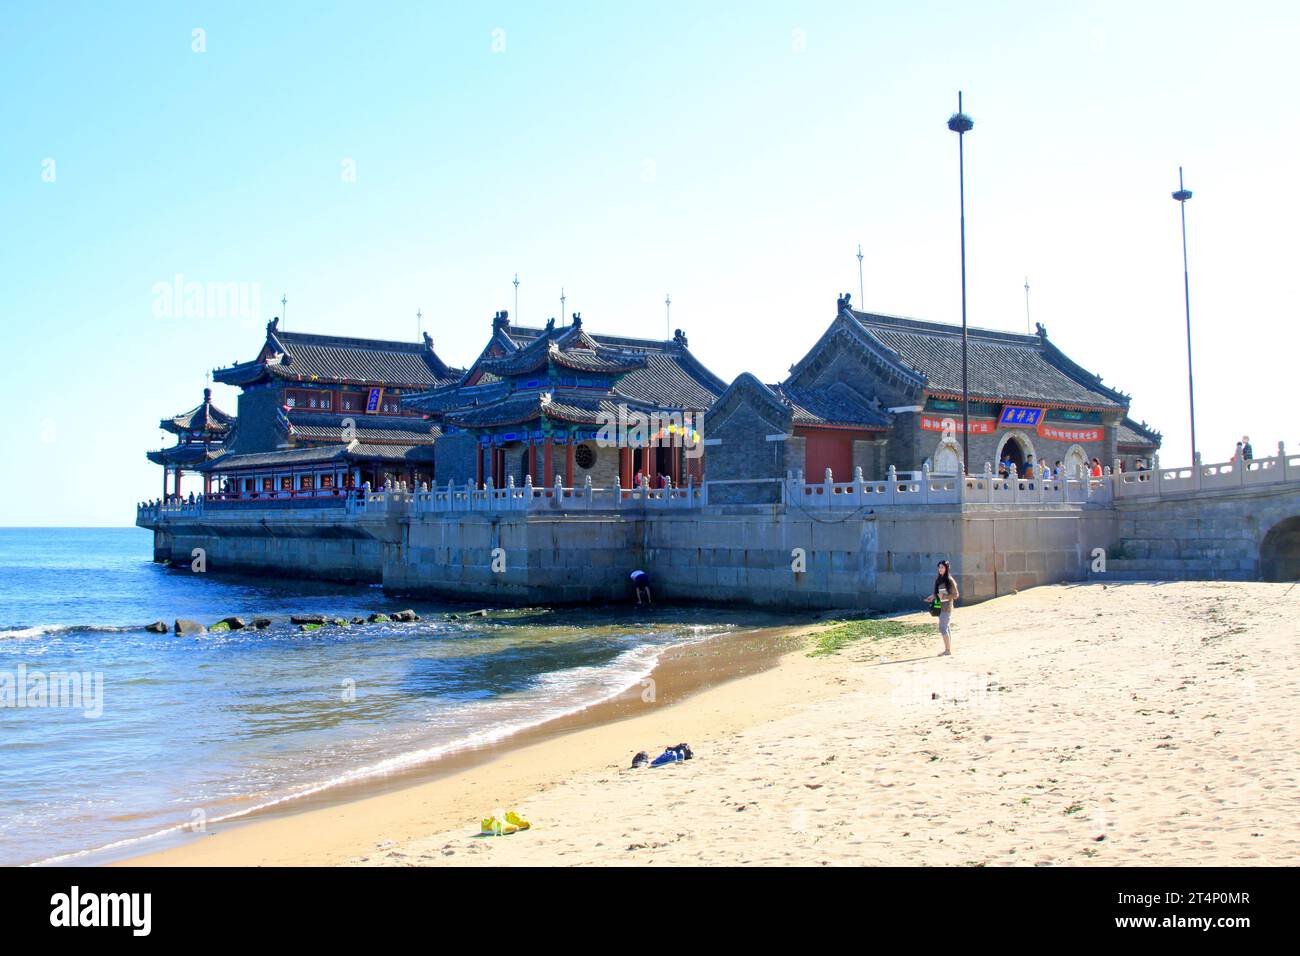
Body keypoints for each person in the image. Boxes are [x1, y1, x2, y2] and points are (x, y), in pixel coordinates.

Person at [931, 560, 959, 656]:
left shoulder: (949, 580)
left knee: (943, 628)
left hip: (946, 608)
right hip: (939, 607)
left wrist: (945, 597)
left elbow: (955, 595)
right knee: (946, 627)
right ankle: (948, 649)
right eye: (939, 567)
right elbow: (938, 594)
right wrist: (933, 597)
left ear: (946, 568)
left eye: (942, 567)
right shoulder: (939, 580)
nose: (940, 569)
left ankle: (947, 650)